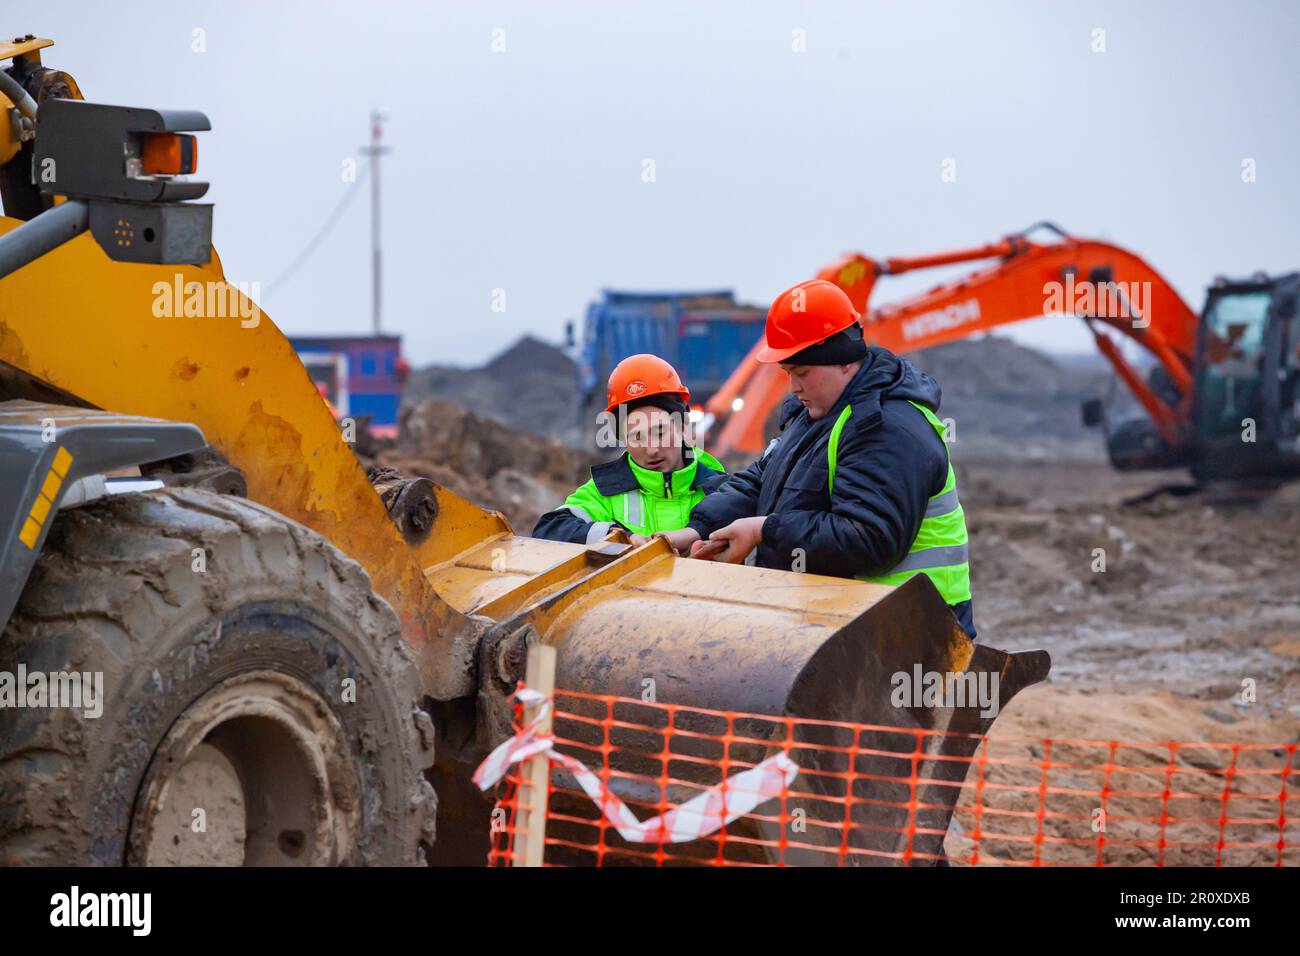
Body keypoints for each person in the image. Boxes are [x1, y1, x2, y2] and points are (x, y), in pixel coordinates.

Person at [660, 279, 975, 639]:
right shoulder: (815, 415)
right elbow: (761, 480)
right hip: (847, 622)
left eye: (802, 372)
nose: (793, 386)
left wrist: (765, 530)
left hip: (913, 632)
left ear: (842, 360)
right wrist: (698, 529)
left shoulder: (885, 427)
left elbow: (869, 540)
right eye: (788, 373)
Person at [532, 354, 728, 545]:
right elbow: (549, 529)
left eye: (660, 433)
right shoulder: (605, 490)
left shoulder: (719, 488)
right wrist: (618, 537)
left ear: (682, 425)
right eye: (637, 437)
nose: (651, 450)